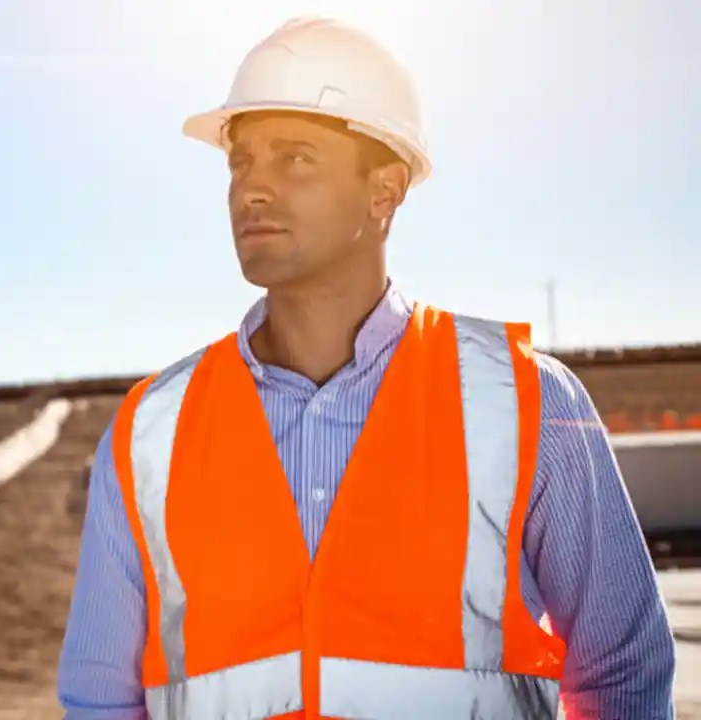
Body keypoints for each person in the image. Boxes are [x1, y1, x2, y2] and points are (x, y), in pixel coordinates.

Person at [56, 16, 675, 720]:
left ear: (386, 190)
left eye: (294, 158)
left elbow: (623, 672)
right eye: (240, 162)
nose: (251, 189)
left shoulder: (526, 401)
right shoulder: (150, 434)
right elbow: (101, 701)